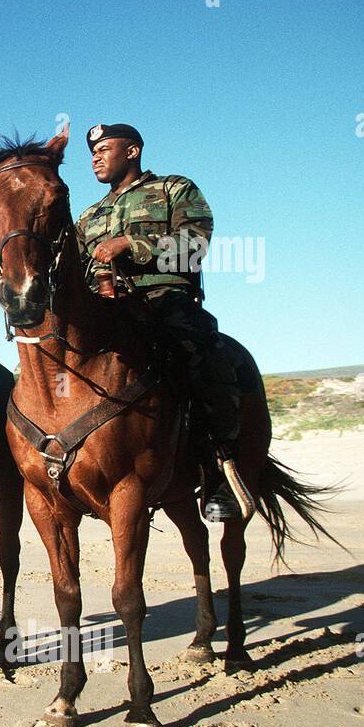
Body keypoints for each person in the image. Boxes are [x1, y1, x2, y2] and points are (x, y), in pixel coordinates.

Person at [76, 123, 245, 522]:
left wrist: (131, 246)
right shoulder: (88, 215)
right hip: (106, 308)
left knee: (202, 356)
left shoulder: (174, 189)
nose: (96, 157)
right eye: (92, 151)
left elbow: (196, 244)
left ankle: (218, 468)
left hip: (164, 300)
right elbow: (78, 269)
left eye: (105, 148)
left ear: (132, 151)